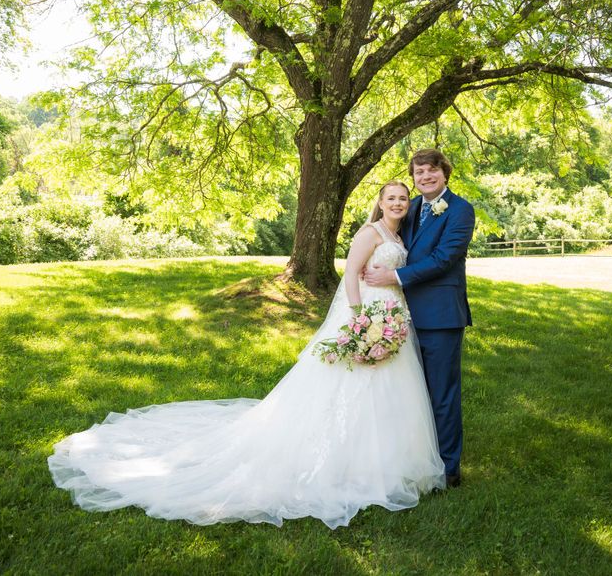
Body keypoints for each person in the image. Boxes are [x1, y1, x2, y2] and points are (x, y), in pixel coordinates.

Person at [48, 181, 445, 529]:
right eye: (391, 198)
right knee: (350, 383)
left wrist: (385, 314)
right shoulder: (370, 232)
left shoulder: (397, 236)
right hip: (366, 315)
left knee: (390, 387)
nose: (397, 203)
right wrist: (359, 321)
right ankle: (347, 461)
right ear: (379, 202)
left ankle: (385, 462)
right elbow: (350, 275)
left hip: (392, 315)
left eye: (402, 199)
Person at [364, 149, 475, 488]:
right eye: (418, 172)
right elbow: (381, 237)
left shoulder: (460, 210)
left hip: (440, 316)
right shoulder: (408, 207)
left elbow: (444, 259)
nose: (425, 177)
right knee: (409, 392)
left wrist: (394, 278)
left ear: (444, 173)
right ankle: (413, 458)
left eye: (431, 171)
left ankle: (448, 467)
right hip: (399, 314)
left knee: (442, 393)